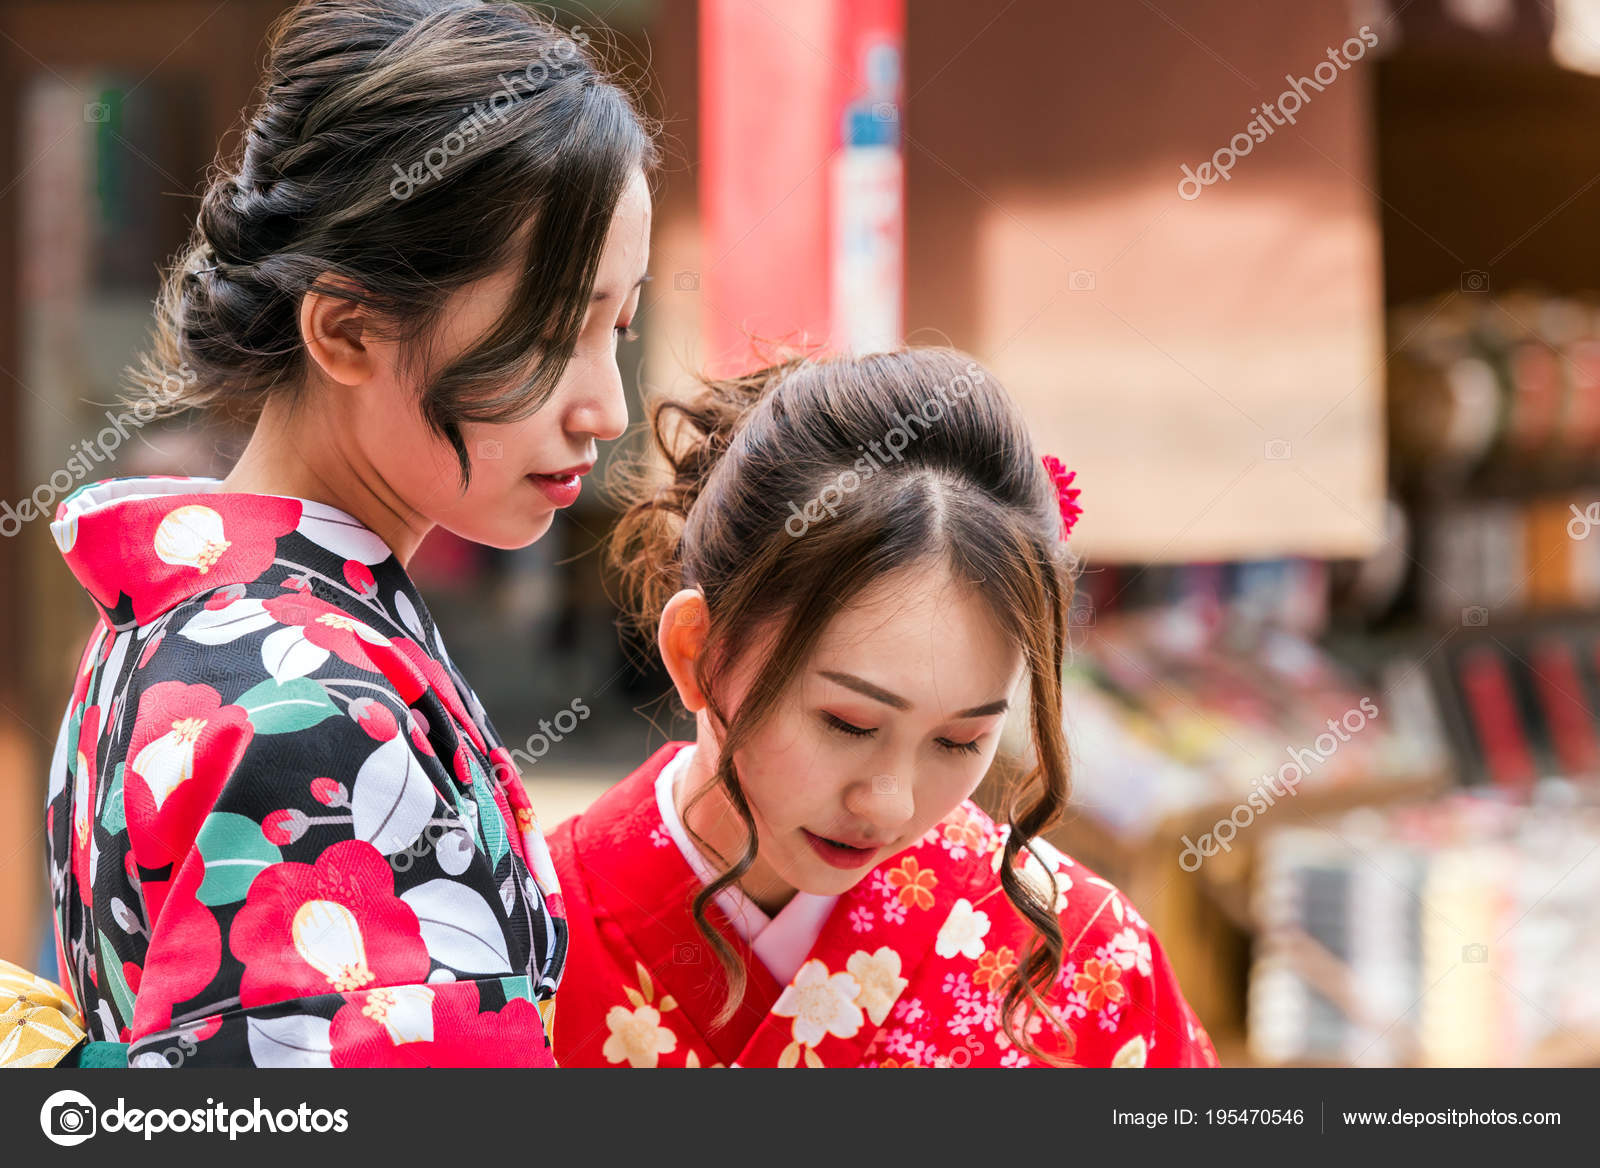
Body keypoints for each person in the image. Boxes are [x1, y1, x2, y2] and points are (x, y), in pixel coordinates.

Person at [39, 0, 654, 1067]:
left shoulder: (170, 625)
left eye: (620, 328)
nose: (607, 407)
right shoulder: (308, 709)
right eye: (552, 334)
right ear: (347, 328)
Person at [544, 349, 1220, 1068]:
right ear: (698, 653)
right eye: (849, 723)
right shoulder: (520, 938)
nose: (890, 804)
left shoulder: (1090, 962)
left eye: (961, 740)